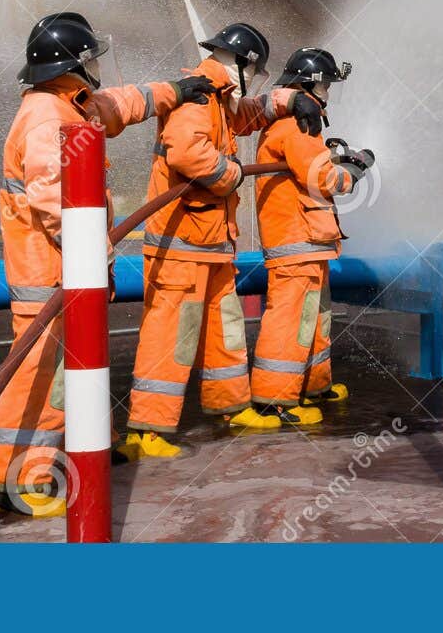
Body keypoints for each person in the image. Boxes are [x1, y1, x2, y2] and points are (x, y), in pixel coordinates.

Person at [0, 11, 216, 518]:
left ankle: (94, 444)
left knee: (79, 365)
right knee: (41, 375)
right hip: (48, 275)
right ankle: (16, 482)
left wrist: (177, 90)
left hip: (68, 271)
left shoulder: (70, 105)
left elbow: (122, 104)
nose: (97, 69)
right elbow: (54, 200)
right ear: (73, 65)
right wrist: (95, 255)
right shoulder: (49, 119)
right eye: (91, 59)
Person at [122, 23, 323, 456]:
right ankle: (146, 432)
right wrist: (231, 176)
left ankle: (231, 407)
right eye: (258, 72)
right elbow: (186, 153)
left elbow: (252, 113)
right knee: (172, 336)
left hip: (210, 246)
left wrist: (292, 99)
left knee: (225, 330)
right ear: (243, 67)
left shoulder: (219, 99)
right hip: (180, 247)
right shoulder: (197, 99)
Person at [237, 47, 374, 428]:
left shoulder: (298, 125)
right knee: (290, 320)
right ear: (312, 86)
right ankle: (272, 400)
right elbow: (323, 179)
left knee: (313, 319)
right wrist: (355, 172)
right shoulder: (296, 126)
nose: (330, 92)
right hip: (296, 242)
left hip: (308, 242)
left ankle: (314, 385)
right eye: (328, 84)